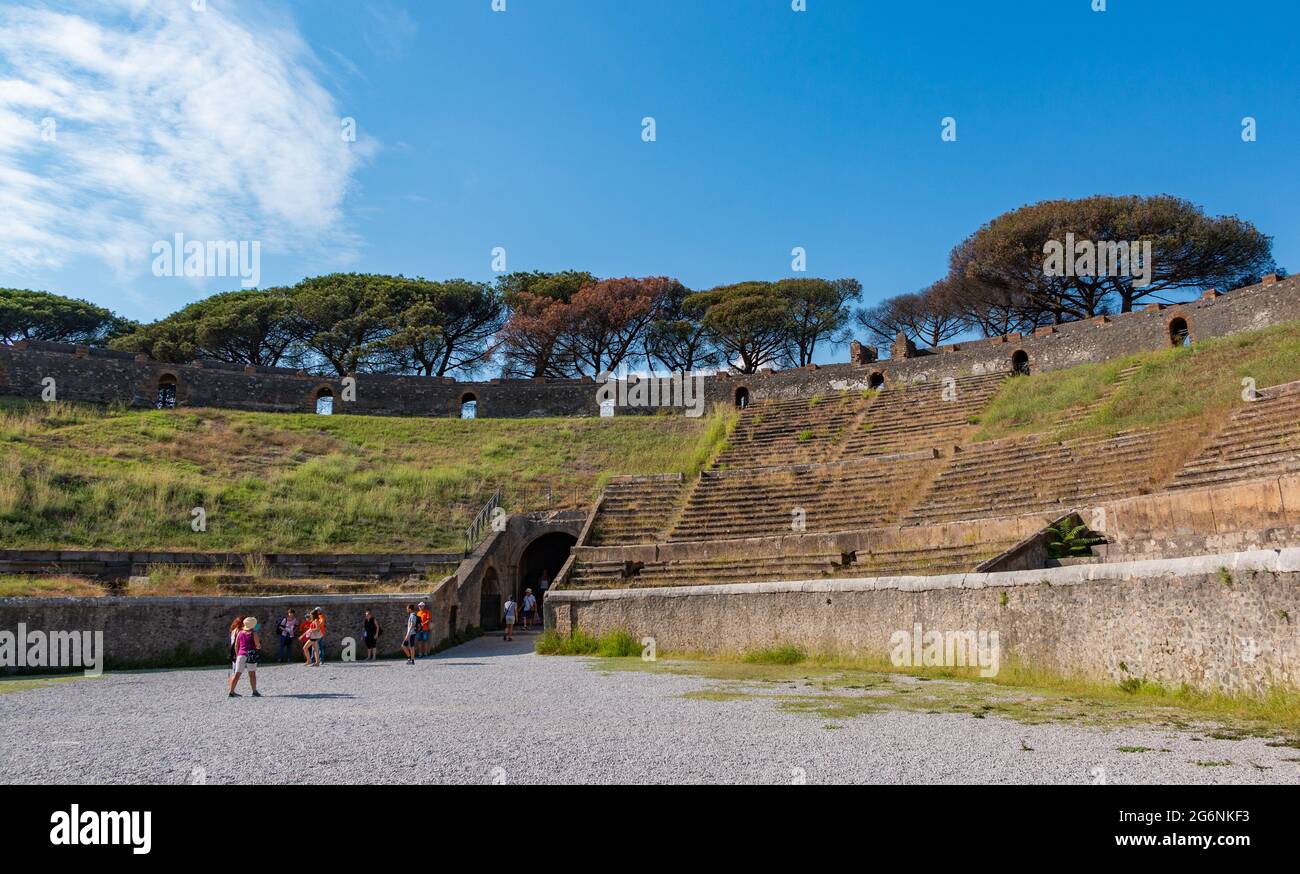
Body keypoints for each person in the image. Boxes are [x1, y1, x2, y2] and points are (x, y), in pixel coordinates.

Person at [228, 616, 262, 698]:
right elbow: (257, 645)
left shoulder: (240, 632)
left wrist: (237, 654)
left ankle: (231, 692)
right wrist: (259, 647)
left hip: (241, 654)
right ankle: (254, 691)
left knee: (237, 674)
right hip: (251, 655)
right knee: (252, 674)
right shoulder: (254, 633)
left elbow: (236, 645)